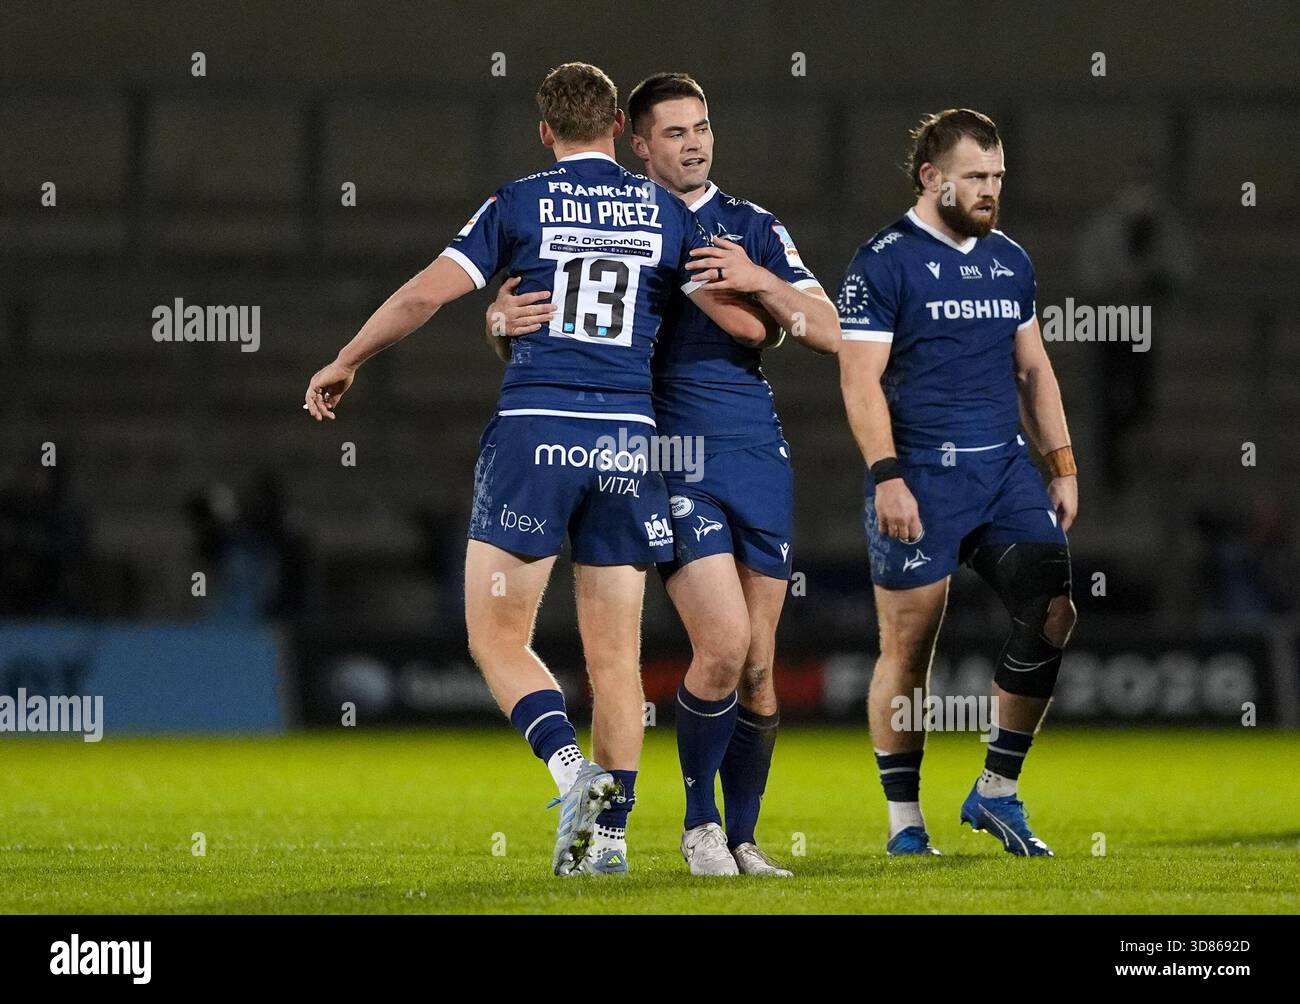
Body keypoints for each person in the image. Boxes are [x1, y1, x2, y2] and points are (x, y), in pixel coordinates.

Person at [304, 62, 762, 876]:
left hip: (536, 433)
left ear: (545, 131)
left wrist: (348, 357)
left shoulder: (518, 202)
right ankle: (607, 841)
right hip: (628, 441)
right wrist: (772, 301)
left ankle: (567, 769)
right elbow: (741, 322)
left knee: (495, 635)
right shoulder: (663, 211)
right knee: (616, 660)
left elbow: (421, 295)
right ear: (621, 126)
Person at [837, 109, 1078, 856]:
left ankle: (997, 791)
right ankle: (905, 822)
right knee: (910, 652)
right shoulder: (881, 262)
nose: (990, 190)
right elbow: (860, 378)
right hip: (920, 479)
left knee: (1054, 610)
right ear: (930, 177)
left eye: (998, 177)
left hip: (1002, 470)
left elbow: (1033, 369)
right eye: (976, 177)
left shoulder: (1010, 260)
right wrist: (887, 478)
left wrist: (1061, 464)